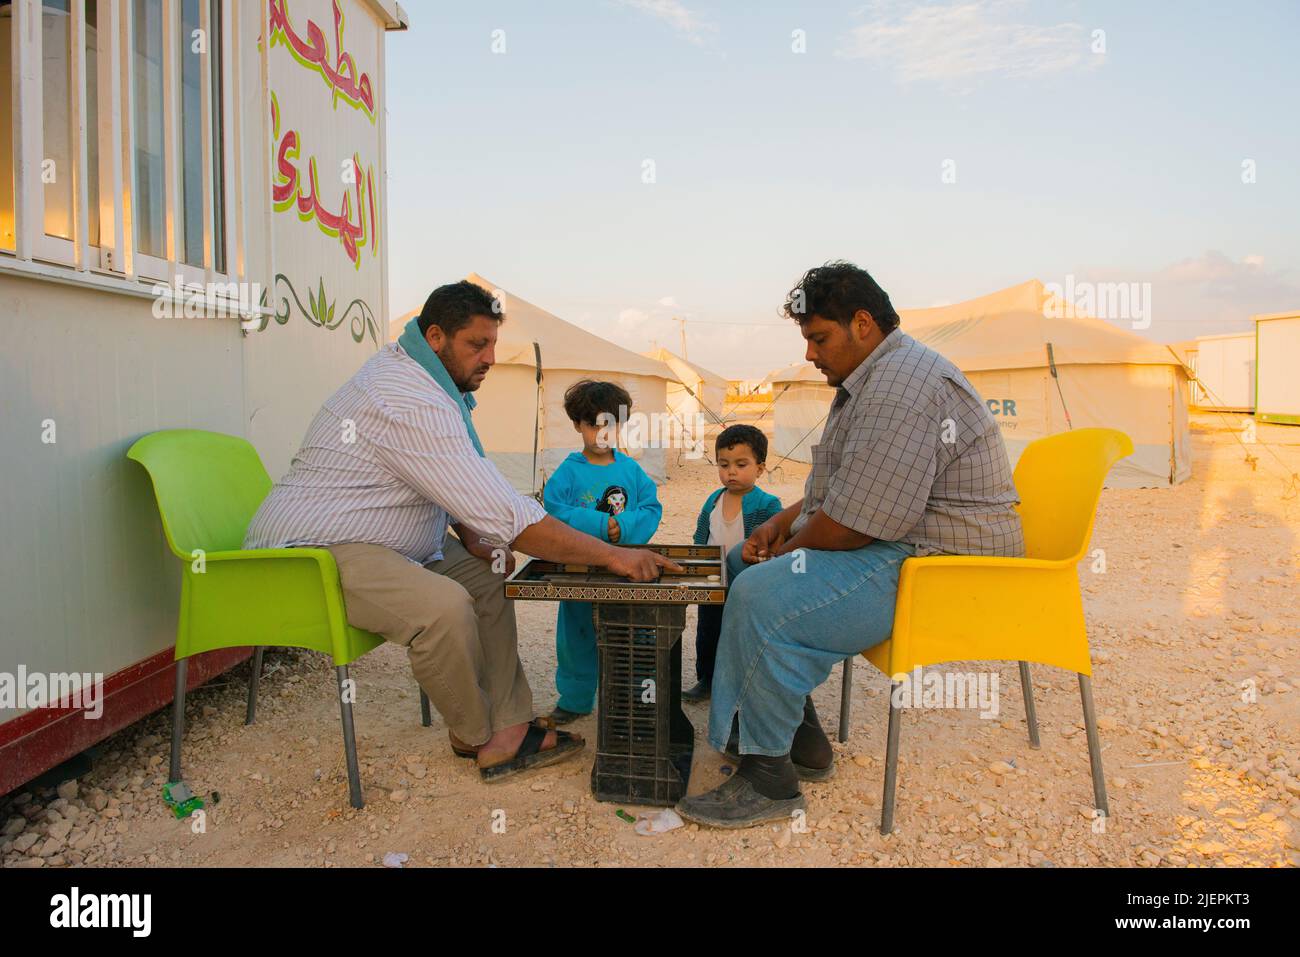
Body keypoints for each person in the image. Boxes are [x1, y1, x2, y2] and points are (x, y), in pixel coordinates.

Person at [243, 281, 680, 783]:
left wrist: (469, 526)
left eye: (493, 343)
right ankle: (477, 735)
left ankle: (510, 722)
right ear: (435, 337)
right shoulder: (406, 397)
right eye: (478, 344)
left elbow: (445, 482)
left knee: (489, 571)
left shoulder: (429, 383)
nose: (491, 357)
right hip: (317, 547)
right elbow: (508, 515)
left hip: (382, 538)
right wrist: (612, 555)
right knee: (443, 608)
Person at [675, 261, 1025, 828]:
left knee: (763, 592)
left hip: (941, 563)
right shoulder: (877, 375)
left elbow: (854, 526)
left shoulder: (901, 386)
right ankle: (799, 741)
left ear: (862, 323)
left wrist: (787, 551)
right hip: (906, 540)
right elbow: (841, 491)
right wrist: (781, 523)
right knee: (744, 562)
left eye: (819, 337)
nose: (811, 354)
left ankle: (770, 779)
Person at [541, 380, 663, 724]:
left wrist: (622, 528)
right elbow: (553, 513)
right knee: (576, 636)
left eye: (610, 424)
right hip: (580, 571)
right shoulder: (566, 473)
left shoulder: (631, 470)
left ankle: (637, 695)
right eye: (592, 424)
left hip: (628, 572)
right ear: (577, 425)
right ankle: (576, 699)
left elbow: (652, 509)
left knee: (632, 632)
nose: (601, 433)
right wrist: (598, 524)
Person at [682, 424, 782, 702]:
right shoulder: (713, 501)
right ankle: (708, 680)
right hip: (713, 582)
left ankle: (743, 685)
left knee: (741, 634)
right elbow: (700, 536)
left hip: (747, 586)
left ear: (760, 468)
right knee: (708, 631)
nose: (731, 472)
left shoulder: (768, 505)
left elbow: (775, 544)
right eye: (724, 464)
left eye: (741, 464)